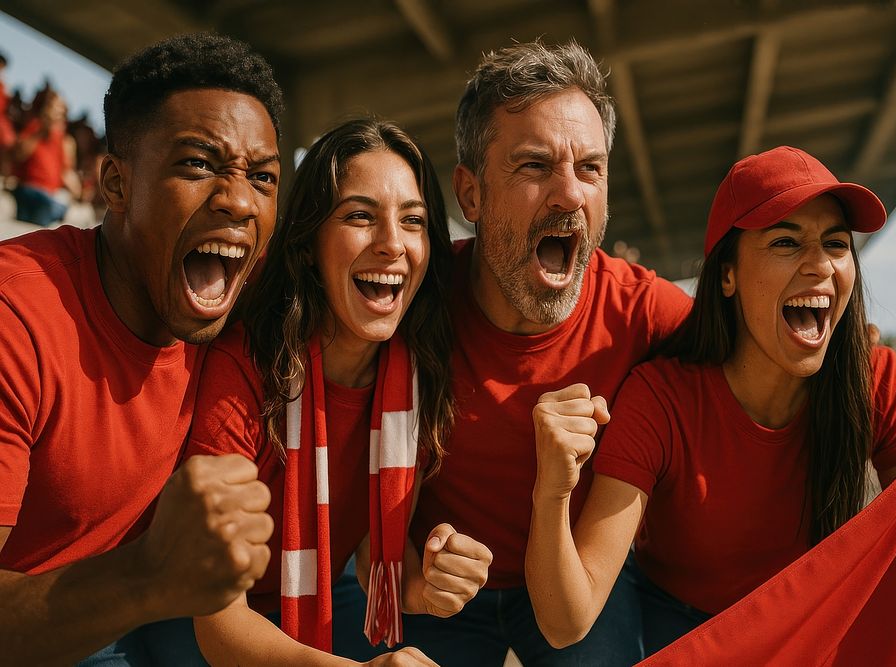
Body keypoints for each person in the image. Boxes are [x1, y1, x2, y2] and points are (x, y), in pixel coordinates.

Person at [526, 145, 896, 655]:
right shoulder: (662, 400)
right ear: (728, 275)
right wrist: (553, 490)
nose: (820, 266)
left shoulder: (875, 380)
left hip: (797, 620)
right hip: (674, 626)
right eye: (786, 242)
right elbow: (567, 622)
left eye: (836, 244)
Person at [398, 40, 692, 666]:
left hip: (579, 587)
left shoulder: (647, 312)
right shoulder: (411, 301)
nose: (569, 195)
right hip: (434, 590)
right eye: (534, 167)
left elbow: (775, 361)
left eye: (590, 168)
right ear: (470, 196)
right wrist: (409, 573)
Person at [0, 33, 284, 664]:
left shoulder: (236, 292)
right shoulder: (16, 317)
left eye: (261, 177)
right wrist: (149, 576)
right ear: (116, 183)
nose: (238, 199)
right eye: (198, 165)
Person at [188, 118, 493, 666]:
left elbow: (376, 559)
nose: (392, 244)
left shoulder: (417, 375)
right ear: (307, 244)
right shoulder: (242, 371)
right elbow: (218, 622)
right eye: (359, 217)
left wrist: (430, 580)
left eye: (414, 220)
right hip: (195, 622)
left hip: (320, 605)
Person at [9, 86, 82, 225]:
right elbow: (19, 155)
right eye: (53, 107)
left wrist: (77, 192)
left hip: (49, 195)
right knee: (48, 207)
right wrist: (41, 131)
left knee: (57, 207)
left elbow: (67, 173)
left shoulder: (66, 141)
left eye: (60, 108)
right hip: (29, 190)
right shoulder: (34, 128)